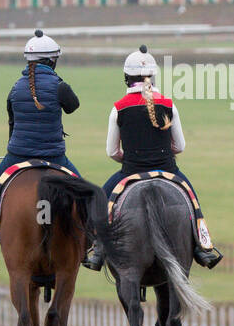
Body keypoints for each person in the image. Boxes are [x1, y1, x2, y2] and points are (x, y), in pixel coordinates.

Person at [82, 45, 222, 271]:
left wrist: (131, 161)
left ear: (127, 78)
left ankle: (97, 250)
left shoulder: (118, 108)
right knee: (192, 200)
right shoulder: (168, 104)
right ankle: (203, 248)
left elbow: (112, 151)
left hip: (130, 171)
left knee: (102, 203)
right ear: (153, 76)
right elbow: (180, 146)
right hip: (168, 169)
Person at [0, 30, 81, 271]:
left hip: (18, 155)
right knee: (84, 192)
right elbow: (73, 107)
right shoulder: (60, 86)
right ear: (53, 60)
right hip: (55, 157)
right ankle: (89, 247)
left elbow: (12, 124)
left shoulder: (15, 89)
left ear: (28, 61)